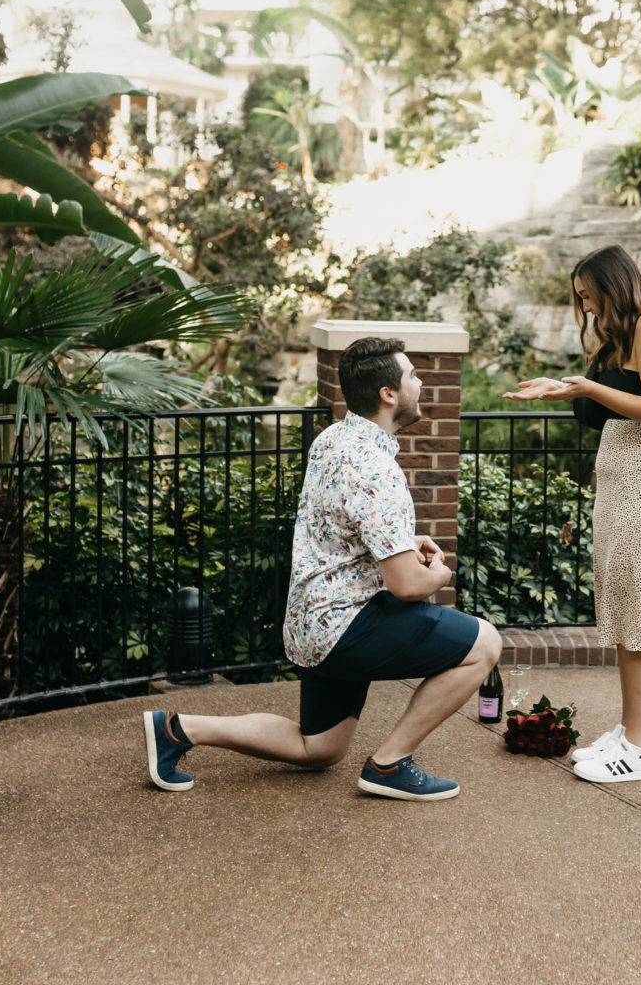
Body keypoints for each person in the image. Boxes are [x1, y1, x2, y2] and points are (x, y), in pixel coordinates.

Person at [143, 336, 502, 800]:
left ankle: (176, 729)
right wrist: (441, 574)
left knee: (320, 748)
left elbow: (341, 527)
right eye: (412, 374)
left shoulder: (334, 438)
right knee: (484, 643)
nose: (420, 381)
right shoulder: (375, 467)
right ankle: (389, 765)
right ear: (388, 394)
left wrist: (400, 542)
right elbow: (408, 585)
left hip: (310, 623)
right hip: (347, 626)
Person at [503, 244, 641, 784]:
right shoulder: (623, 336)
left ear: (615, 284)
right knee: (627, 603)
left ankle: (637, 748)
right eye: (580, 299)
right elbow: (613, 402)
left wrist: (588, 386)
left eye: (589, 295)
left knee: (639, 609)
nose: (586, 307)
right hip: (625, 484)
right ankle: (629, 732)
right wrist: (566, 389)